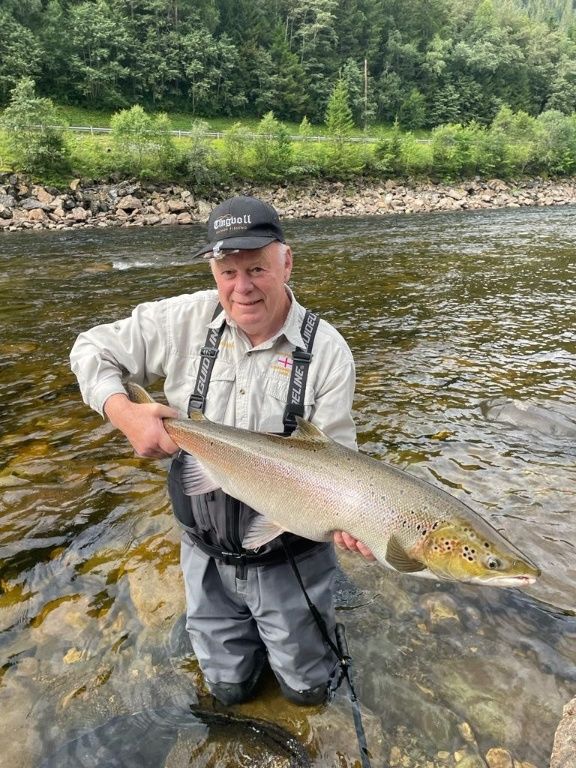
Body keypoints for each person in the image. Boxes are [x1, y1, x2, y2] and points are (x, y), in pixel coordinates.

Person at [70, 195, 373, 708]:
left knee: (308, 691)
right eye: (227, 271)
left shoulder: (327, 352)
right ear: (213, 268)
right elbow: (89, 348)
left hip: (290, 558)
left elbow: (340, 462)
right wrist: (123, 413)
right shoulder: (183, 320)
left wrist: (350, 519)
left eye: (256, 268)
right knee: (229, 691)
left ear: (286, 261)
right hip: (203, 552)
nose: (242, 287)